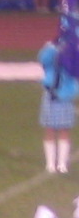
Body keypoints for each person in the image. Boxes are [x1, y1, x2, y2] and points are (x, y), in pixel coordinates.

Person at [38, 34, 78, 175]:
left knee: (64, 130)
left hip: (65, 96)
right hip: (51, 94)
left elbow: (75, 73)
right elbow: (43, 60)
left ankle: (62, 164)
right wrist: (51, 48)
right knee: (49, 129)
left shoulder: (73, 53)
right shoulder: (52, 51)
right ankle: (50, 164)